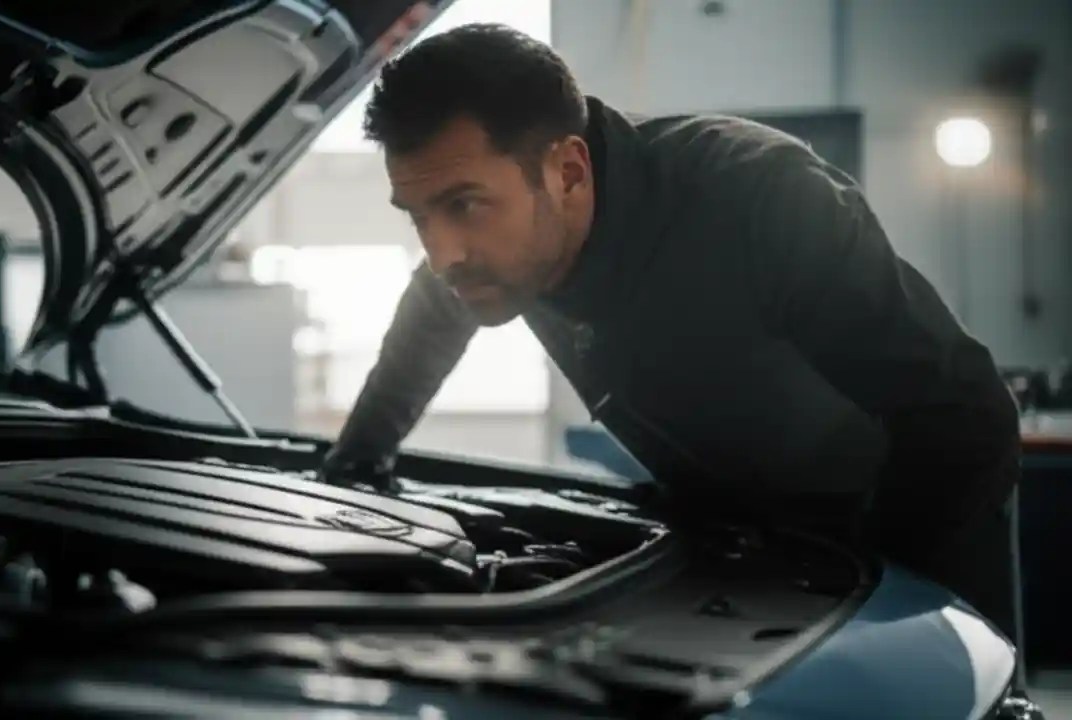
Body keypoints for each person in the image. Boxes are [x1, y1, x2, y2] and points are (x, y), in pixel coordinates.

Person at [318, 24, 1024, 647]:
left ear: (567, 172)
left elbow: (966, 418)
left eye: (463, 205)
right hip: (749, 560)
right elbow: (423, 333)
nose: (443, 253)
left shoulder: (756, 198)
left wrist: (869, 600)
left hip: (914, 575)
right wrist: (351, 477)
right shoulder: (491, 252)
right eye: (418, 216)